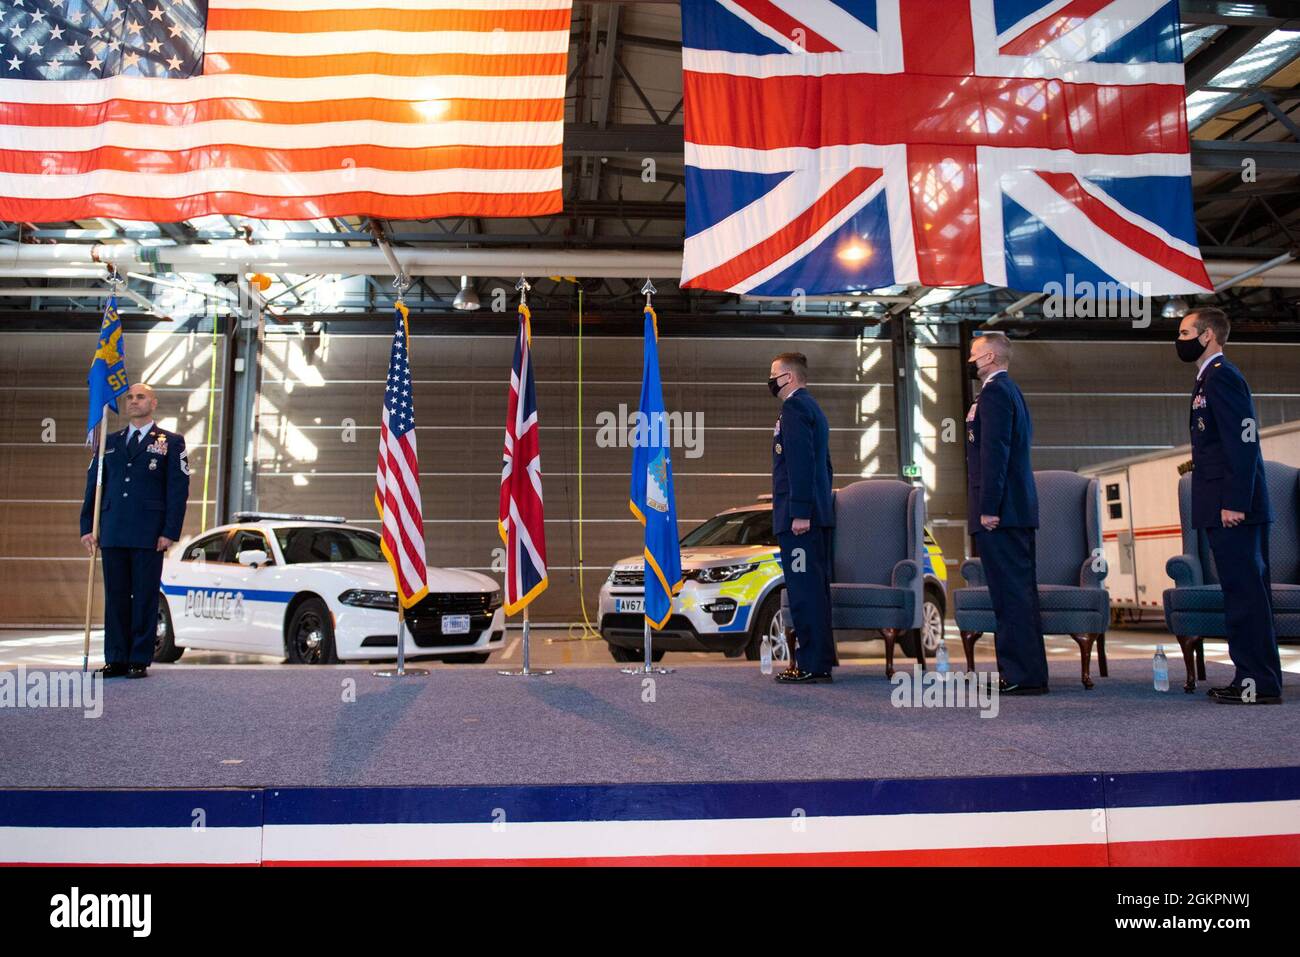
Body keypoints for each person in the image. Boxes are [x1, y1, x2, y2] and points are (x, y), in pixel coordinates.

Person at [1176, 307, 1282, 705]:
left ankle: (1258, 684)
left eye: (1186, 332)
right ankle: (1251, 679)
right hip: (1224, 505)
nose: (1180, 340)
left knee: (1246, 597)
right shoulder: (1208, 380)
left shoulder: (1223, 378)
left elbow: (1243, 443)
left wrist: (1235, 501)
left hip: (1235, 508)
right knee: (1240, 596)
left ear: (1208, 336)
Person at [80, 383, 190, 678]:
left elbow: (178, 490)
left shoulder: (171, 442)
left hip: (148, 533)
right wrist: (87, 526)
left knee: (143, 595)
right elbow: (95, 486)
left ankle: (138, 657)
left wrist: (169, 531)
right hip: (113, 529)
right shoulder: (110, 443)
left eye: (140, 397)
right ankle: (115, 657)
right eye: (129, 397)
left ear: (153, 403)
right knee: (115, 596)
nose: (133, 401)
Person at [966, 331, 1049, 694]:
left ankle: (1021, 675)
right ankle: (1024, 672)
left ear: (989, 358)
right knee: (1015, 594)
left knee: (1012, 596)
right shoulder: (1004, 390)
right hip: (1012, 510)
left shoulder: (997, 392)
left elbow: (994, 454)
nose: (970, 360)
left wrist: (989, 507)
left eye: (974, 354)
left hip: (1003, 512)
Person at [769, 353, 836, 684]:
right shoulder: (814, 409)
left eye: (773, 375)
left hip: (800, 522)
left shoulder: (794, 408)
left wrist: (799, 512)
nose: (770, 382)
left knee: (805, 593)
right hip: (814, 516)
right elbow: (825, 467)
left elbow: (800, 464)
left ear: (789, 378)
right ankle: (820, 660)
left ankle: (811, 664)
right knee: (814, 590)